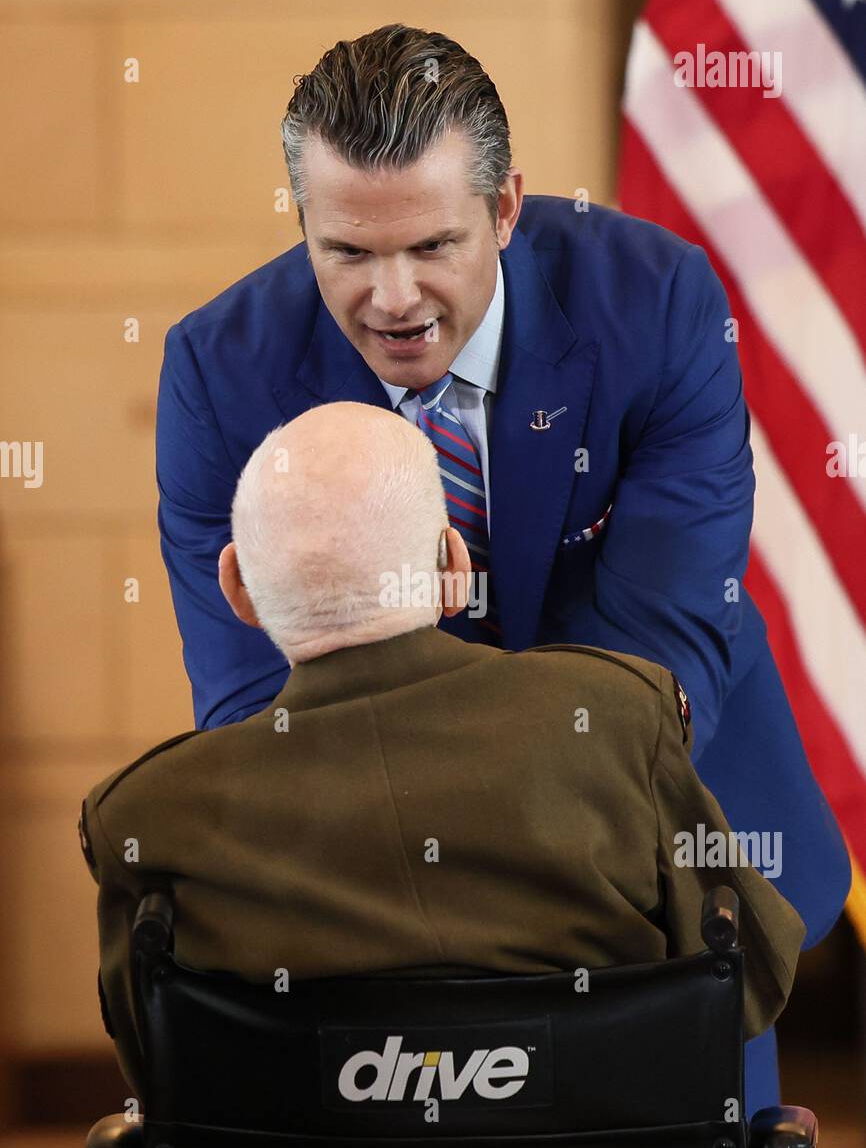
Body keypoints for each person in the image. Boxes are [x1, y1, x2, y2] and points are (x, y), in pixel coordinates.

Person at [154, 22, 849, 1118]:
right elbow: (259, 710)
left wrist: (493, 857)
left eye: (432, 244)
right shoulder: (217, 374)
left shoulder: (656, 302)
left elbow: (664, 646)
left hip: (665, 841)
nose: (391, 297)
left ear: (506, 208)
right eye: (347, 252)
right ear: (303, 224)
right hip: (374, 889)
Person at [81, 402, 805, 1100]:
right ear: (456, 565)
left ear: (236, 587)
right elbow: (748, 981)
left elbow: (164, 1079)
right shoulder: (615, 719)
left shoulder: (151, 820)